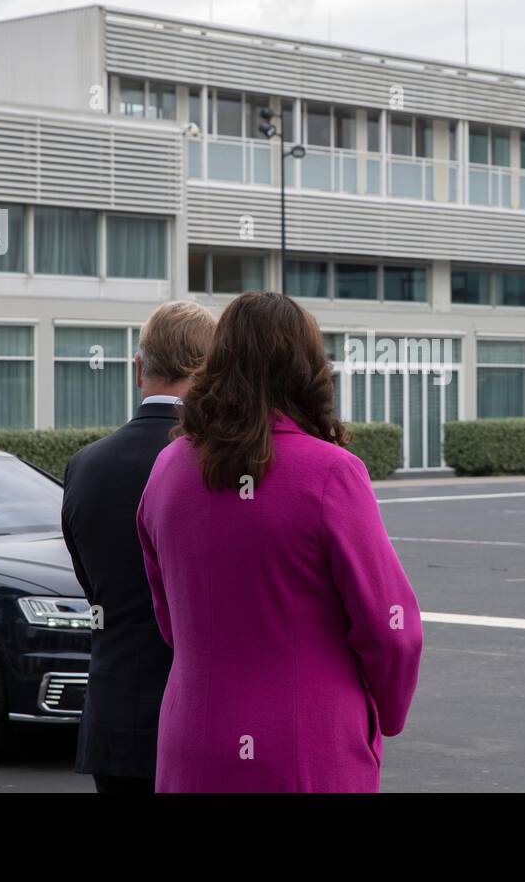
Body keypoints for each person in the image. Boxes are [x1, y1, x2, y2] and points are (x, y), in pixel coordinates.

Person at [137, 292, 422, 793]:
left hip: (191, 745)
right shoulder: (332, 473)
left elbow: (169, 618)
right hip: (306, 748)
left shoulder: (167, 469)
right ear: (307, 370)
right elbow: (391, 627)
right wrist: (385, 715)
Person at [61, 300, 217, 793]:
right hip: (200, 715)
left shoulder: (85, 465)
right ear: (210, 373)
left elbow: (92, 584)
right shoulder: (215, 464)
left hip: (113, 717)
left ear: (138, 369)